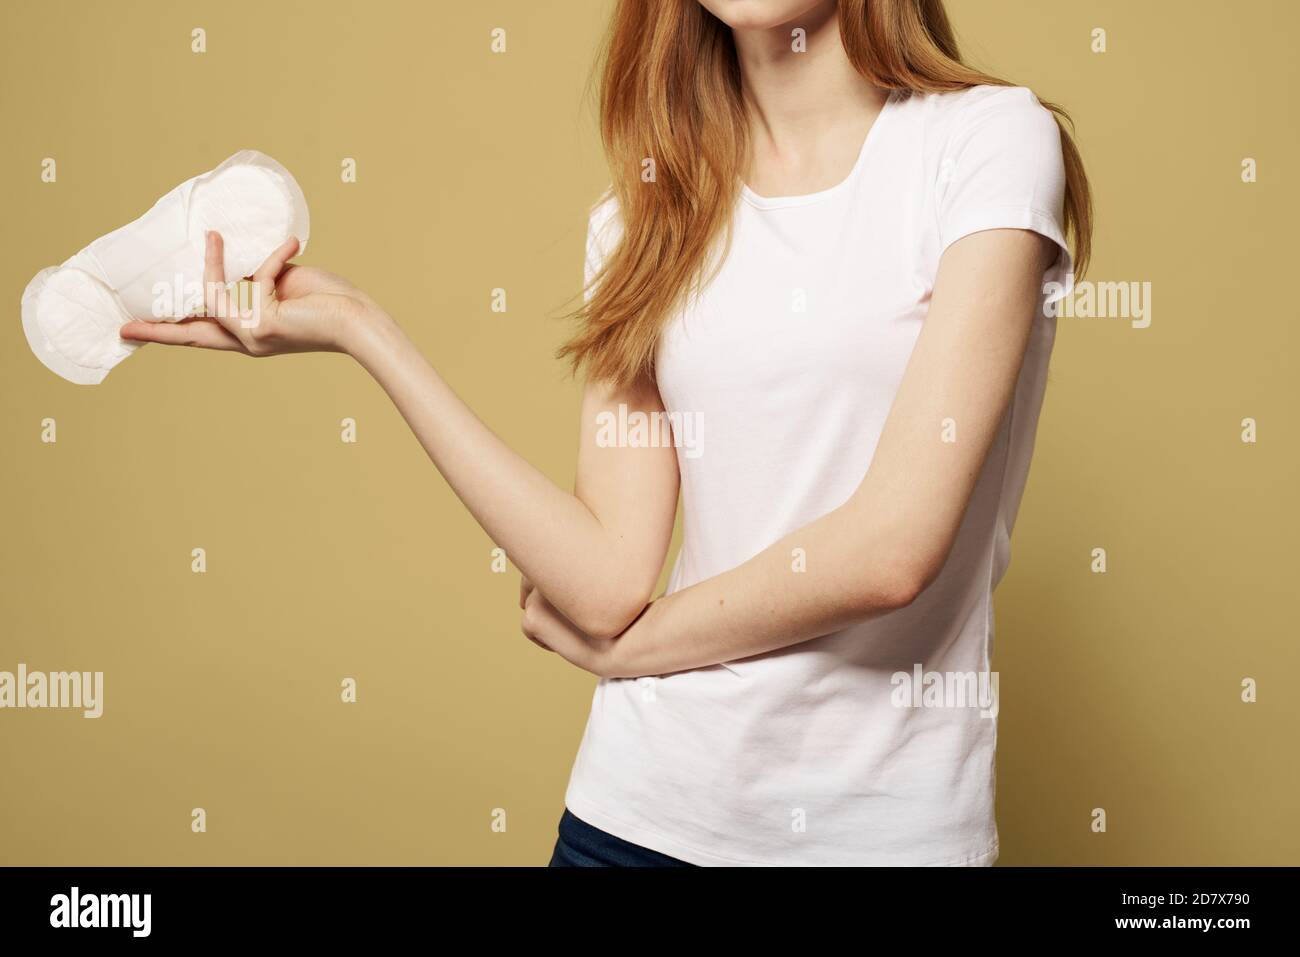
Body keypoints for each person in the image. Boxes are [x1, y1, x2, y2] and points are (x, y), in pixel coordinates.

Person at [121, 0, 1091, 866]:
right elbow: (606, 581)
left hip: (882, 836)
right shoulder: (646, 215)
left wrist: (638, 649)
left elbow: (891, 550)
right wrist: (364, 332)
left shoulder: (988, 146)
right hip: (638, 819)